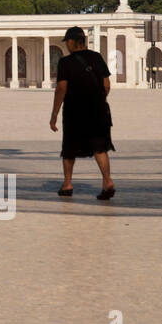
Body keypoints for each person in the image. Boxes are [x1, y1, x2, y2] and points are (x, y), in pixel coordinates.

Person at [49, 26, 115, 200]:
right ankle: (107, 181)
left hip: (74, 111)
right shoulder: (97, 57)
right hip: (99, 110)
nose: (67, 45)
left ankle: (67, 184)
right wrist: (98, 99)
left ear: (71, 42)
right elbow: (107, 84)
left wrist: (54, 114)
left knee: (69, 148)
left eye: (67, 42)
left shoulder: (65, 62)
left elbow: (61, 88)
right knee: (100, 147)